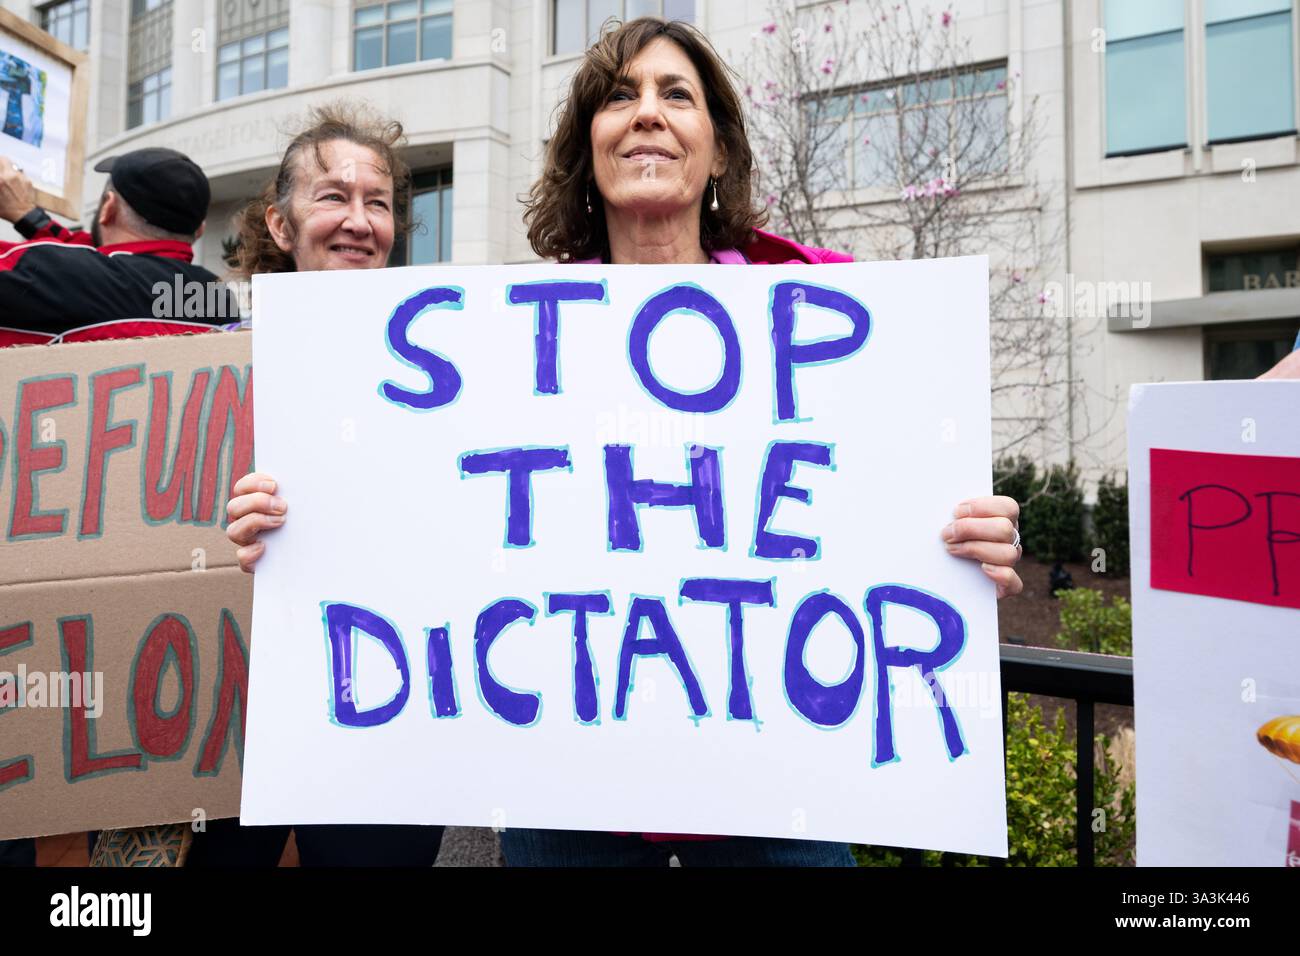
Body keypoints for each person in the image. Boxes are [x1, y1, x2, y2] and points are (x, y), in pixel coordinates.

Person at [227, 22, 1022, 867]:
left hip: (778, 798)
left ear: (717, 151)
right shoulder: (497, 345)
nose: (646, 114)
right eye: (619, 97)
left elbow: (890, 505)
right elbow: (418, 517)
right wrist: (294, 530)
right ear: (588, 149)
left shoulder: (831, 311)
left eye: (675, 95)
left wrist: (974, 538)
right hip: (570, 806)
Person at [191, 102, 445, 867]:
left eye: (378, 203)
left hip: (386, 711)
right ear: (278, 224)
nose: (359, 221)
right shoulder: (212, 372)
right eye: (333, 196)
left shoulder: (446, 363)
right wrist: (223, 524)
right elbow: (155, 532)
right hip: (237, 706)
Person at [0, 148, 236, 868]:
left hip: (37, 593)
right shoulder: (217, 300)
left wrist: (29, 224)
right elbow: (127, 279)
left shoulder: (45, 278)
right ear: (195, 230)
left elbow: (81, 273)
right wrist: (38, 221)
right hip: (181, 620)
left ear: (107, 210)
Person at [0, 149, 240, 338]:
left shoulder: (56, 275)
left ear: (108, 206)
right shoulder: (217, 295)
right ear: (200, 229)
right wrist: (26, 215)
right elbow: (96, 267)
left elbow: (84, 271)